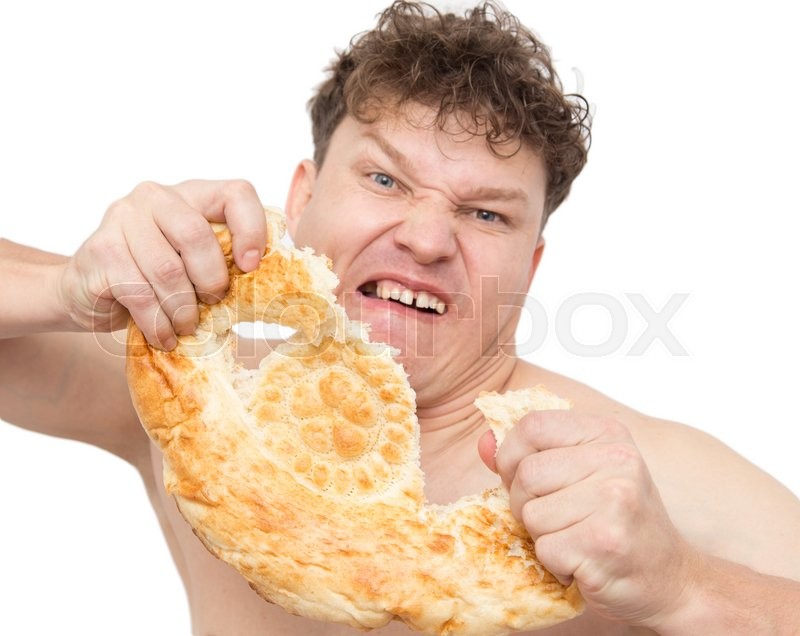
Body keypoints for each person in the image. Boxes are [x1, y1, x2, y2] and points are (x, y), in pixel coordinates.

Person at [1, 1, 799, 634]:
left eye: (486, 215)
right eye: (385, 180)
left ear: (532, 266)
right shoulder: (198, 402)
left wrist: (688, 590)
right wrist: (60, 290)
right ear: (303, 199)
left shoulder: (638, 483)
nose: (424, 238)